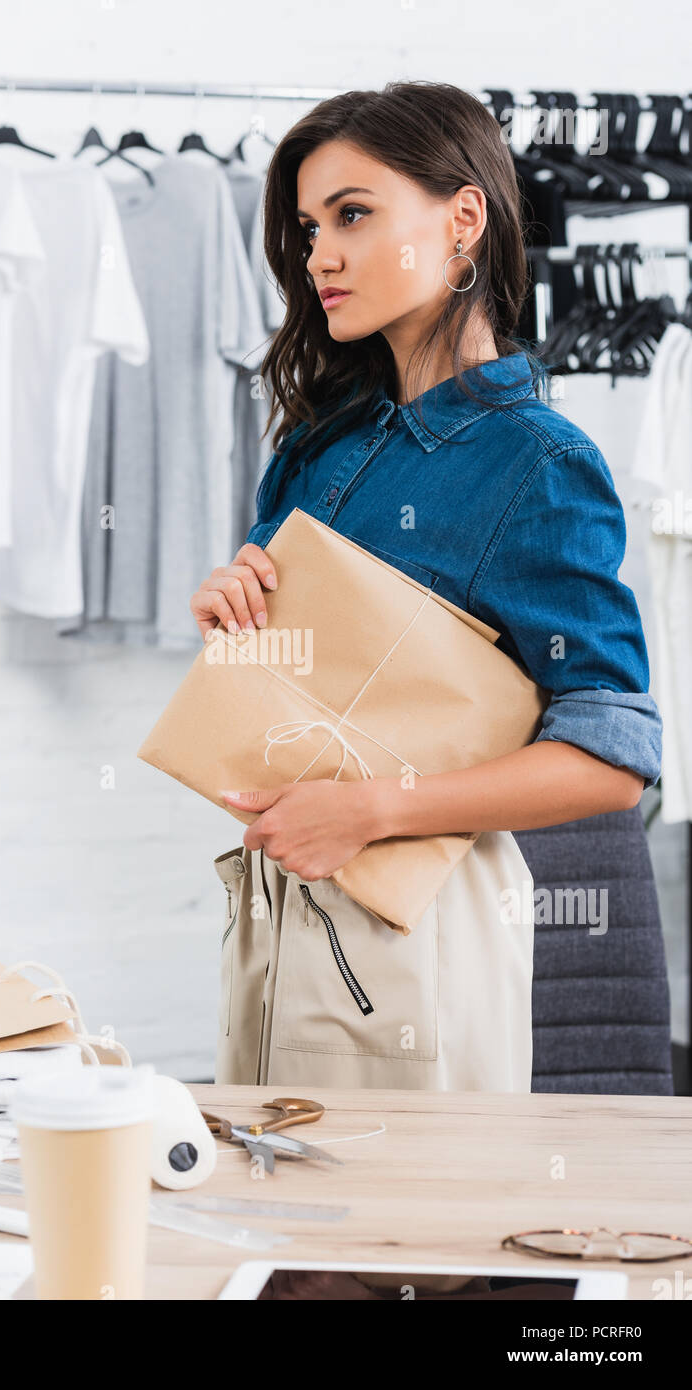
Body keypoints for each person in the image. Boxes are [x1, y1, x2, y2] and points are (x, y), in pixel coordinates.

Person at [189, 81, 661, 1093]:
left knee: (405, 1248)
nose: (318, 254)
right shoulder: (320, 446)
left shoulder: (536, 462)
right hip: (277, 920)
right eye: (309, 226)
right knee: (283, 1241)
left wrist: (370, 810)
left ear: (462, 220)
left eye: (353, 214)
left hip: (421, 935)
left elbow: (613, 760)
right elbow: (303, 694)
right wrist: (234, 616)